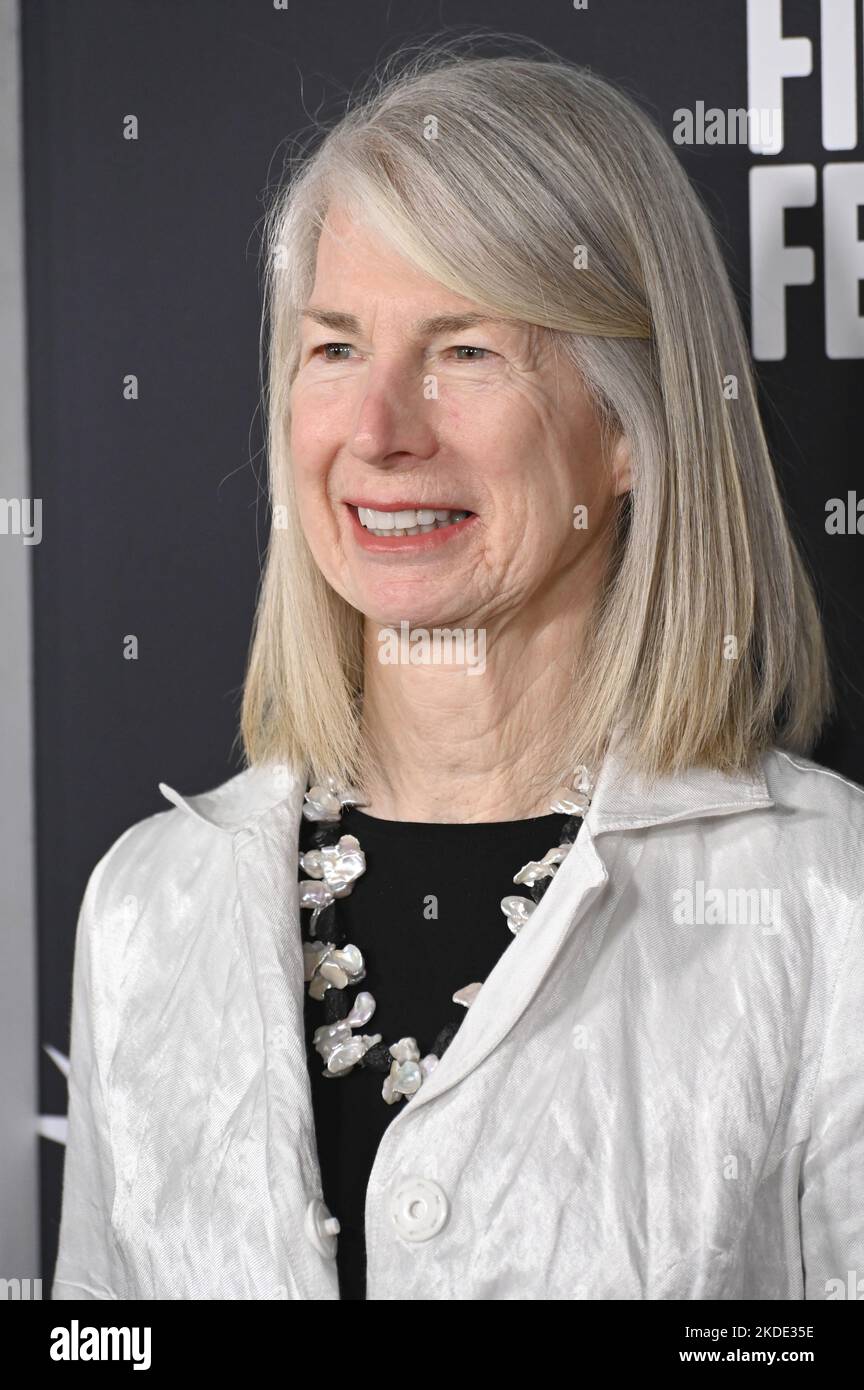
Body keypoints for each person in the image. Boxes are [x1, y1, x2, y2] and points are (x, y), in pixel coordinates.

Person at [52, 36, 863, 1301]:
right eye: (333, 349)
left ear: (632, 431)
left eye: (466, 349)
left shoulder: (828, 901)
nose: (378, 431)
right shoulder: (149, 909)